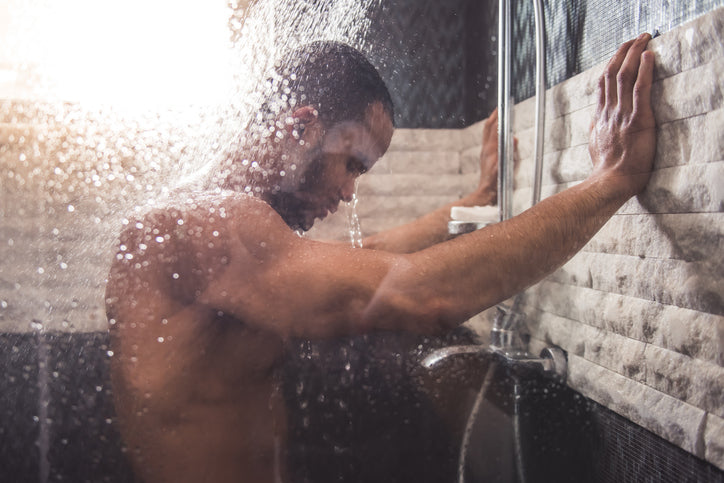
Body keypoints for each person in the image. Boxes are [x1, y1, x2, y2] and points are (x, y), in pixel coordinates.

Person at [105, 34, 655, 483]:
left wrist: (471, 203)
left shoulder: (233, 233)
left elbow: (357, 262)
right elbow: (409, 292)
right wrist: (609, 182)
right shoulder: (203, 223)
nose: (348, 193)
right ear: (301, 127)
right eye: (352, 165)